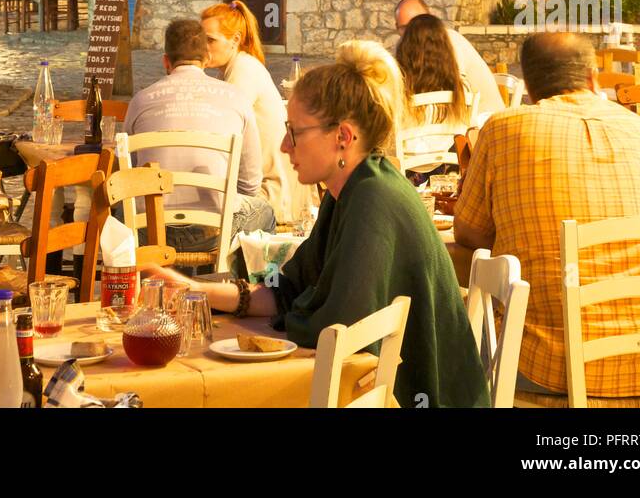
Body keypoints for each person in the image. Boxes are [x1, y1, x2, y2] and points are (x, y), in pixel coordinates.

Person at [148, 39, 489, 409]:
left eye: (295, 131)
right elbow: (288, 290)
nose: (283, 146)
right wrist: (190, 288)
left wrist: (275, 321)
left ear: (342, 137)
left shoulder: (375, 201)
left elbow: (339, 333)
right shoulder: (348, 192)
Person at [454, 30, 640, 402]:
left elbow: (468, 231)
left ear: (528, 86)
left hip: (550, 367)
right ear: (593, 79)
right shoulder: (638, 131)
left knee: (468, 319)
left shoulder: (502, 128)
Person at [122, 17, 275, 251]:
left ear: (166, 61)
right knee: (265, 212)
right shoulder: (235, 98)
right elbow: (250, 183)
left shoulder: (140, 100)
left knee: (119, 212)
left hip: (150, 231)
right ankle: (241, 286)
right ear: (207, 58)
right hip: (213, 231)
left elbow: (129, 177)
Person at [201, 0, 302, 225]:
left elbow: (220, 134)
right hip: (259, 186)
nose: (202, 47)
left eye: (210, 40)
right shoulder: (233, 68)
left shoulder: (243, 70)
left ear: (235, 40)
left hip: (270, 193)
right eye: (200, 39)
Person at [393, 0, 505, 116]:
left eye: (418, 23)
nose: (413, 31)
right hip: (447, 121)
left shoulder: (448, 41)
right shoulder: (403, 46)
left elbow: (456, 96)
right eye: (405, 28)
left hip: (481, 119)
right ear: (396, 27)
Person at [396, 14, 472, 125]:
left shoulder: (400, 93)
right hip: (452, 142)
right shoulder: (462, 90)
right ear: (446, 50)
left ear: (406, 49)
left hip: (411, 142)